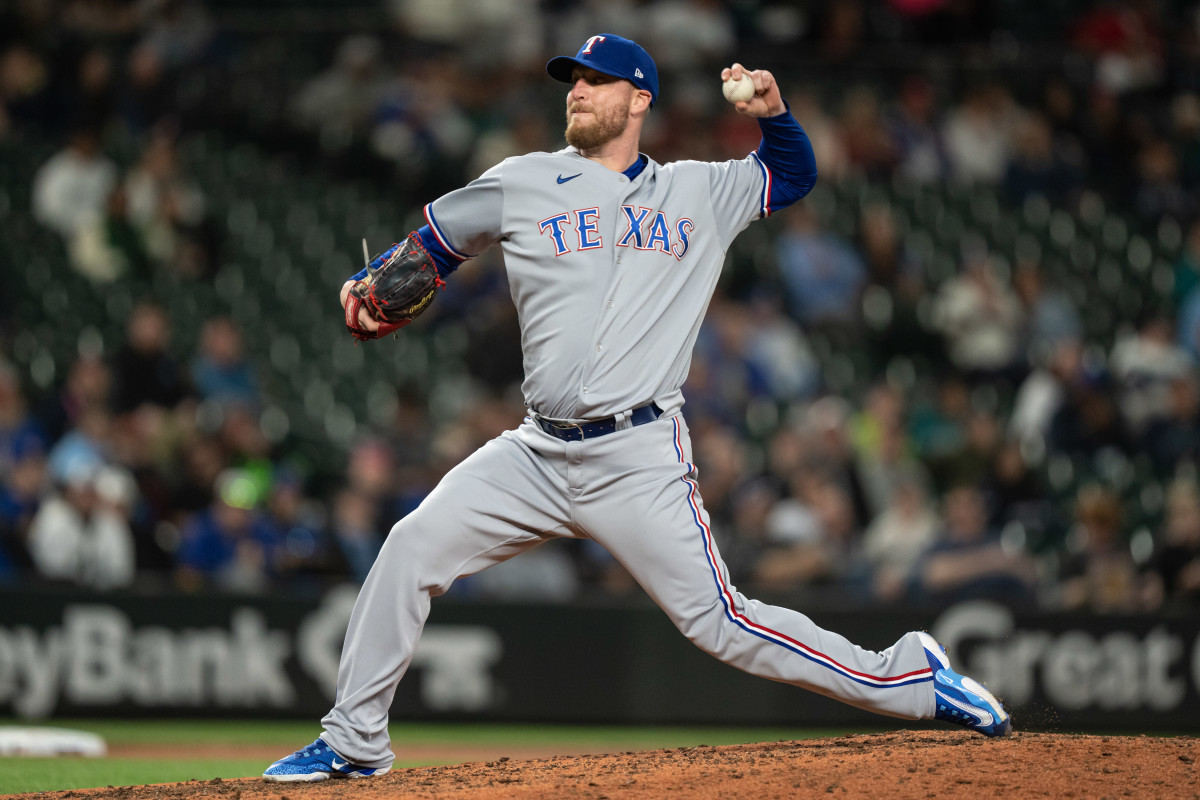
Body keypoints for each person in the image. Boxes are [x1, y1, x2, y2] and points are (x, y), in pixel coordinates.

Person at [263, 34, 1011, 783]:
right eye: (573, 80)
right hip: (536, 452)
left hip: (638, 458)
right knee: (409, 547)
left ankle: (911, 675)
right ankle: (355, 742)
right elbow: (429, 249)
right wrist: (366, 289)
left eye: (597, 80)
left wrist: (774, 112)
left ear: (640, 97)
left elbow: (795, 174)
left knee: (723, 624)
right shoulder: (521, 180)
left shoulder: (700, 190)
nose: (578, 91)